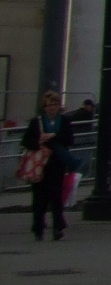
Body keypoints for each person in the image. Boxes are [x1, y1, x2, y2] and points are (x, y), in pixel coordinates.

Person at [20, 90, 74, 241]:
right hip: (40, 164)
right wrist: (39, 141)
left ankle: (58, 226)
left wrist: (54, 136)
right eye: (49, 105)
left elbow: (70, 140)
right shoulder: (36, 122)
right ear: (44, 106)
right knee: (39, 198)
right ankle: (38, 227)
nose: (52, 108)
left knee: (56, 195)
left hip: (56, 163)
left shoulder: (64, 121)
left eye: (55, 104)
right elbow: (26, 141)